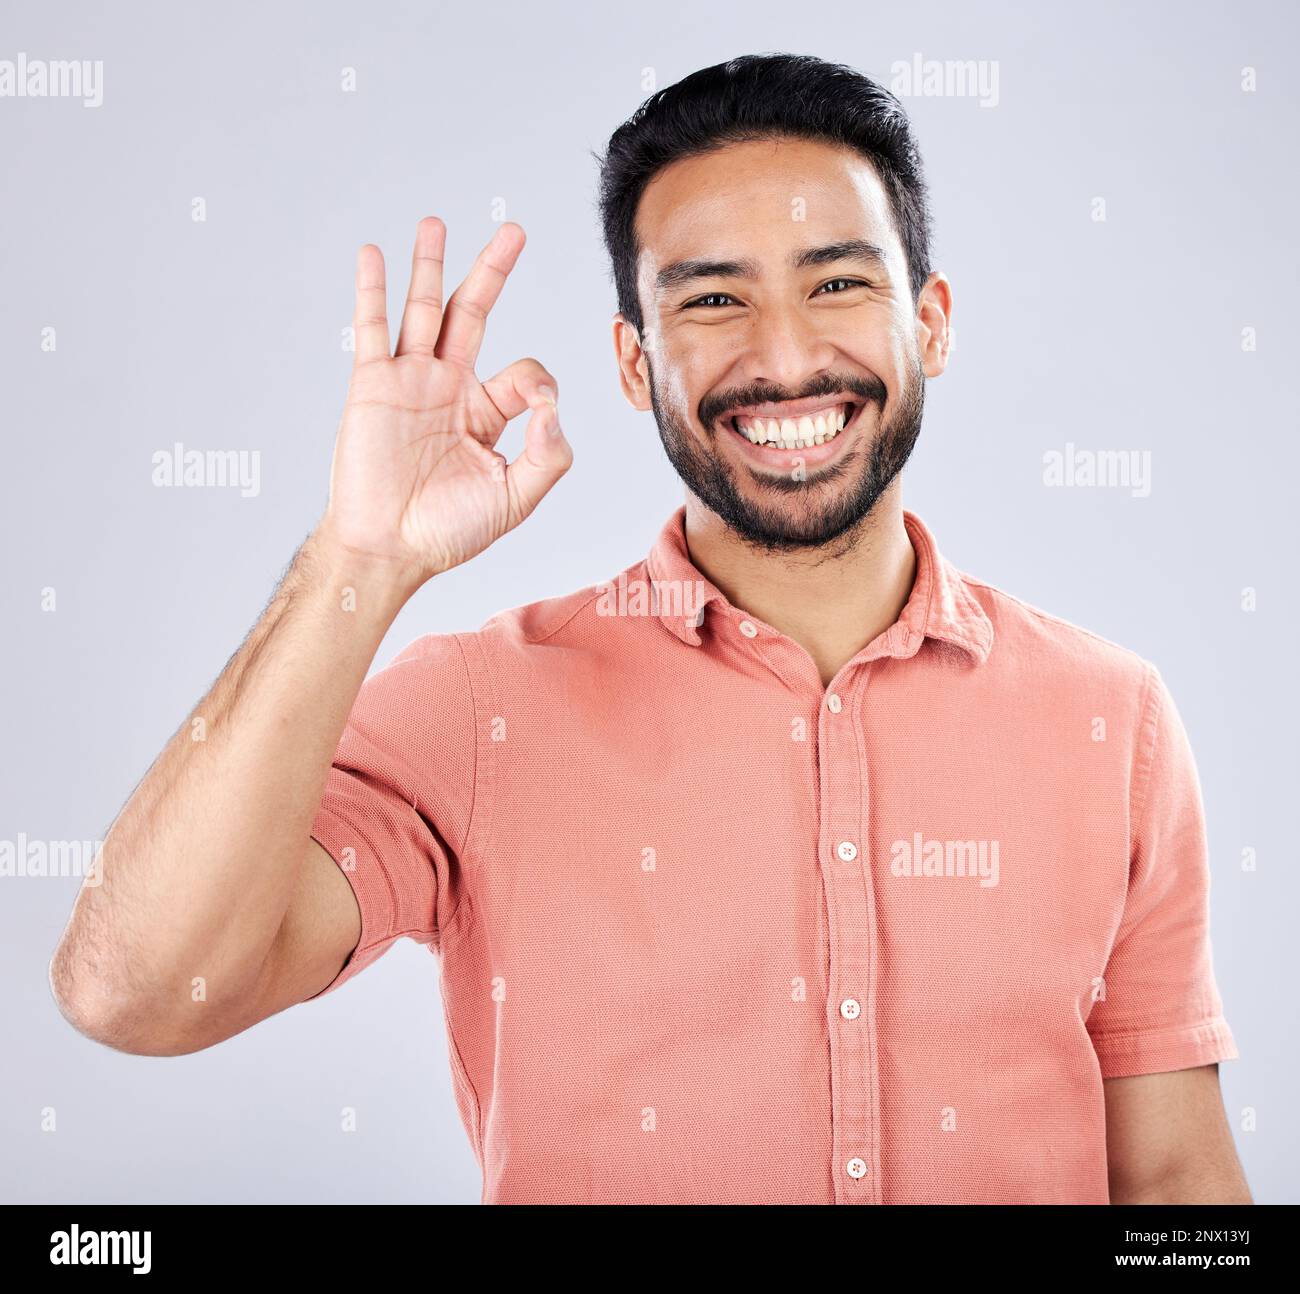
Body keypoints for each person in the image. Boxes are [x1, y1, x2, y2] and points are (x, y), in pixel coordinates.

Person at [50, 53, 1249, 1205]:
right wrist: (356, 560)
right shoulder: (481, 706)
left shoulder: (1109, 716)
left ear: (930, 321)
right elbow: (136, 993)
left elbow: (1170, 1182)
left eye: (837, 282)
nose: (783, 357)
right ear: (634, 362)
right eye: (713, 299)